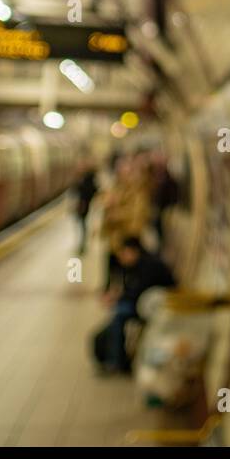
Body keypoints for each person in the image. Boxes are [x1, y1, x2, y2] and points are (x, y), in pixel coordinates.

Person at [98, 236, 175, 374]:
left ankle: (117, 362)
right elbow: (135, 291)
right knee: (118, 312)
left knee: (119, 315)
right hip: (147, 303)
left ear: (132, 251)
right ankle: (115, 357)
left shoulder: (149, 266)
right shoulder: (139, 263)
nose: (121, 258)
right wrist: (118, 297)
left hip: (158, 306)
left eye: (123, 253)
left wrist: (117, 299)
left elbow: (139, 293)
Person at [72, 160, 98, 255]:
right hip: (84, 205)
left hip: (85, 205)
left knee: (83, 226)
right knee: (82, 226)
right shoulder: (85, 178)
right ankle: (82, 245)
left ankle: (83, 246)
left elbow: (87, 192)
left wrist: (83, 202)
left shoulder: (88, 179)